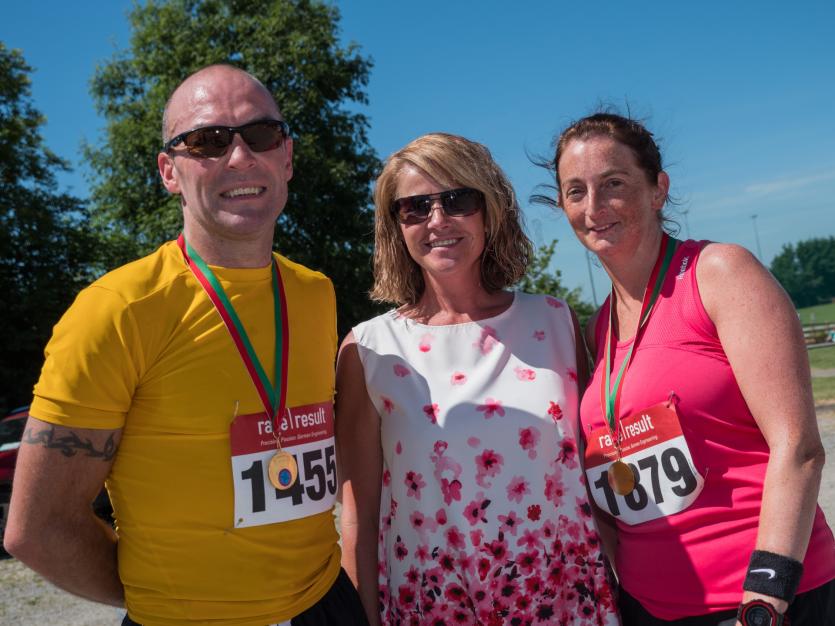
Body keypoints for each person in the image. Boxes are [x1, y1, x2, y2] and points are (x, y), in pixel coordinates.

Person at [4, 64, 367, 626]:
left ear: (287, 157)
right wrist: (163, 598)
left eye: (261, 135)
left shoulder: (316, 293)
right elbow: (37, 528)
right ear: (169, 171)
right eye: (207, 141)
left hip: (325, 607)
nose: (240, 157)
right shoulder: (117, 310)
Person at [542, 112, 835, 625]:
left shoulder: (719, 274)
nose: (594, 207)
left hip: (759, 601)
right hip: (651, 607)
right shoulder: (598, 327)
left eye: (613, 183)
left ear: (658, 190)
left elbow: (800, 449)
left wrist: (766, 595)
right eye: (575, 191)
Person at [336, 132, 619, 625]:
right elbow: (358, 518)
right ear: (396, 227)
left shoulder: (554, 320)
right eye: (416, 207)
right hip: (438, 607)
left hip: (567, 599)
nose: (438, 220)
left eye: (457, 200)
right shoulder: (369, 349)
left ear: (489, 210)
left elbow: (598, 480)